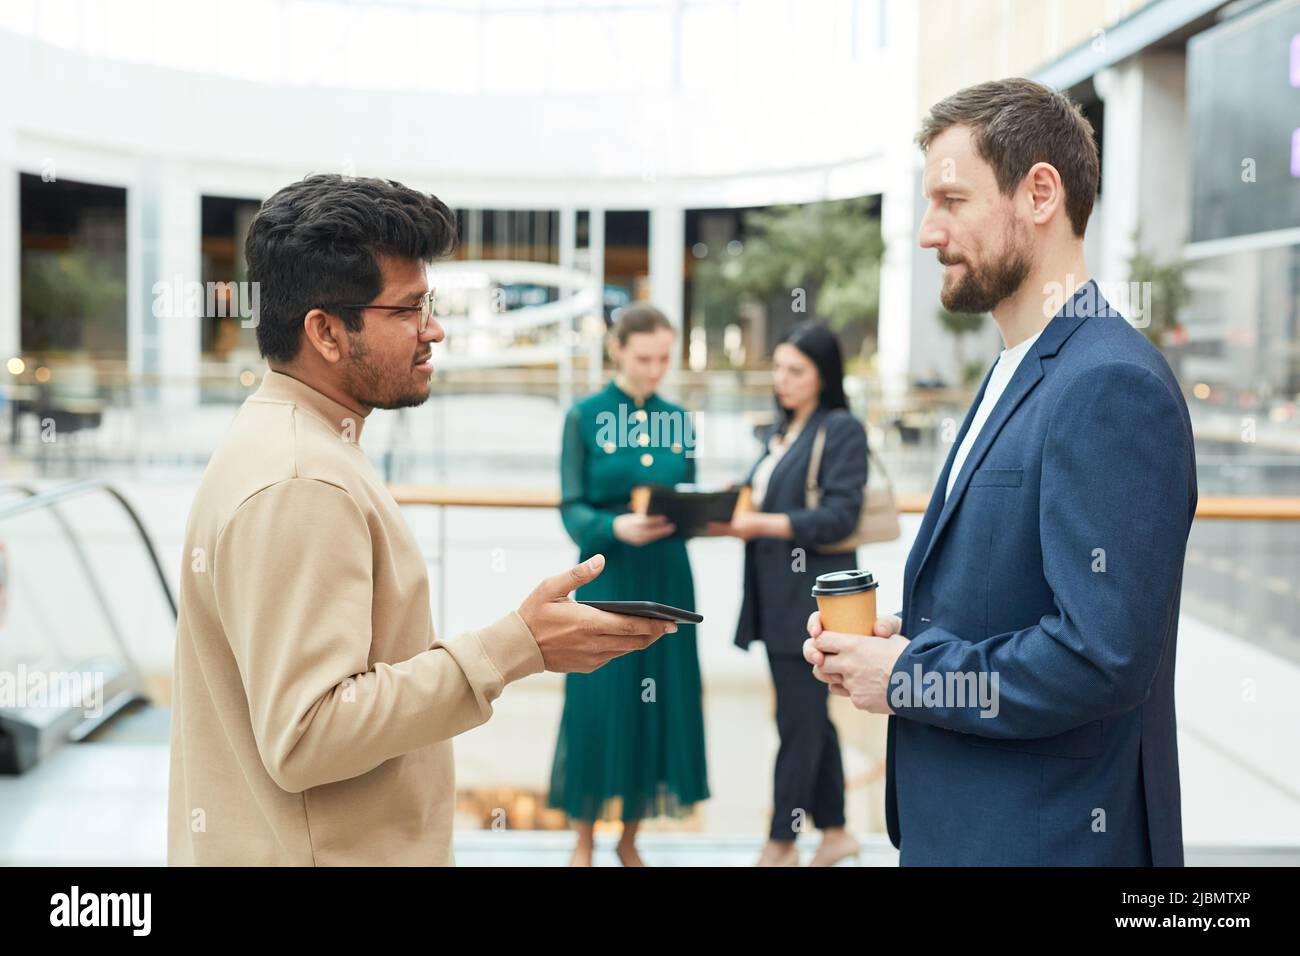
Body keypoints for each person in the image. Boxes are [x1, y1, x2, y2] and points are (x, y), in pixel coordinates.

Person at [167, 174, 676, 866]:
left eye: (428, 303)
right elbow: (308, 735)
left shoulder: (298, 442)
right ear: (325, 331)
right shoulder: (302, 480)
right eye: (408, 309)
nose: (434, 329)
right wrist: (516, 647)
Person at [805, 78, 1197, 866]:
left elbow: (1100, 657)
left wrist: (914, 677)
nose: (926, 232)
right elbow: (1014, 606)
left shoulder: (1108, 384)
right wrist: (898, 647)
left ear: (1041, 193)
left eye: (951, 200)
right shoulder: (1016, 369)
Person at [546, 303, 709, 866]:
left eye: (665, 359)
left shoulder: (681, 419)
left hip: (666, 574)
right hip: (606, 572)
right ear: (617, 350)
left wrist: (696, 514)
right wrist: (615, 526)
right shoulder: (584, 416)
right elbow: (571, 505)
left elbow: (687, 494)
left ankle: (631, 838)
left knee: (657, 699)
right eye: (645, 358)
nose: (656, 370)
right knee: (597, 698)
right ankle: (584, 839)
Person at [708, 319, 866, 867]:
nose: (782, 379)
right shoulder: (781, 432)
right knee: (809, 719)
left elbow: (839, 515)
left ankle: (781, 842)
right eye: (777, 367)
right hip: (777, 598)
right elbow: (766, 500)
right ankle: (837, 831)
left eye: (795, 370)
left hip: (814, 604)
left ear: (823, 376)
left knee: (797, 725)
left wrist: (762, 524)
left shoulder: (839, 429)